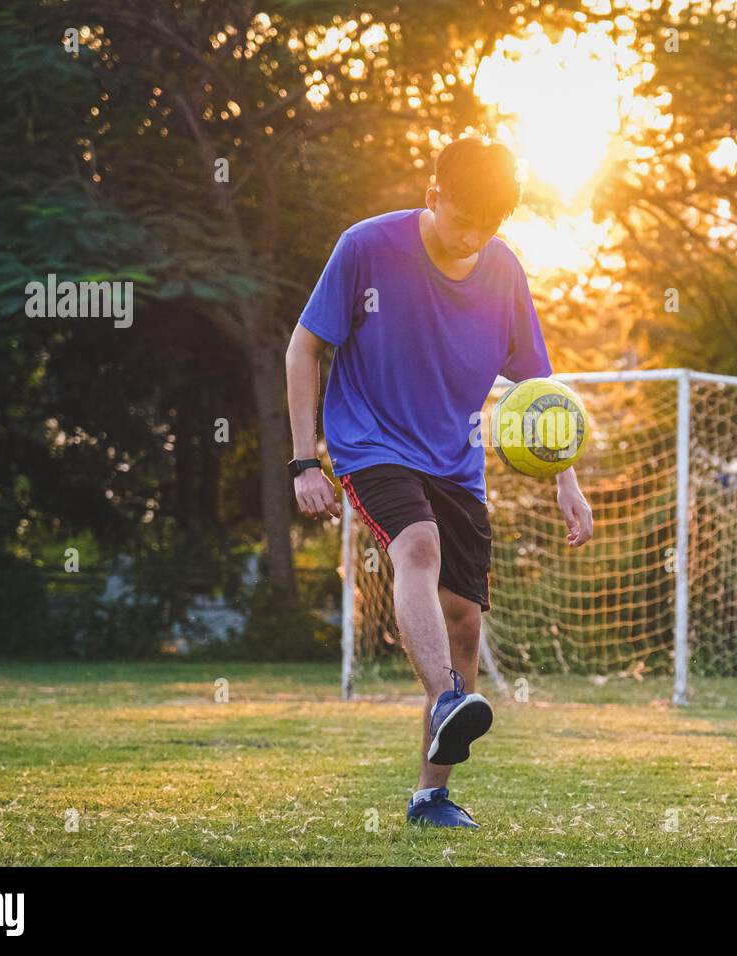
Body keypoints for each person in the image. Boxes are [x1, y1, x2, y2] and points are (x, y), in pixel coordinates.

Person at [285, 136, 594, 829]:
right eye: (461, 224)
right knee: (416, 548)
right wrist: (306, 460)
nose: (470, 243)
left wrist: (564, 480)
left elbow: (537, 388)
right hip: (372, 445)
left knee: (465, 622)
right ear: (433, 198)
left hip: (456, 460)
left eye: (487, 230)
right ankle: (449, 699)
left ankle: (431, 796)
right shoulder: (366, 247)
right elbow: (304, 346)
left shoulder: (503, 270)